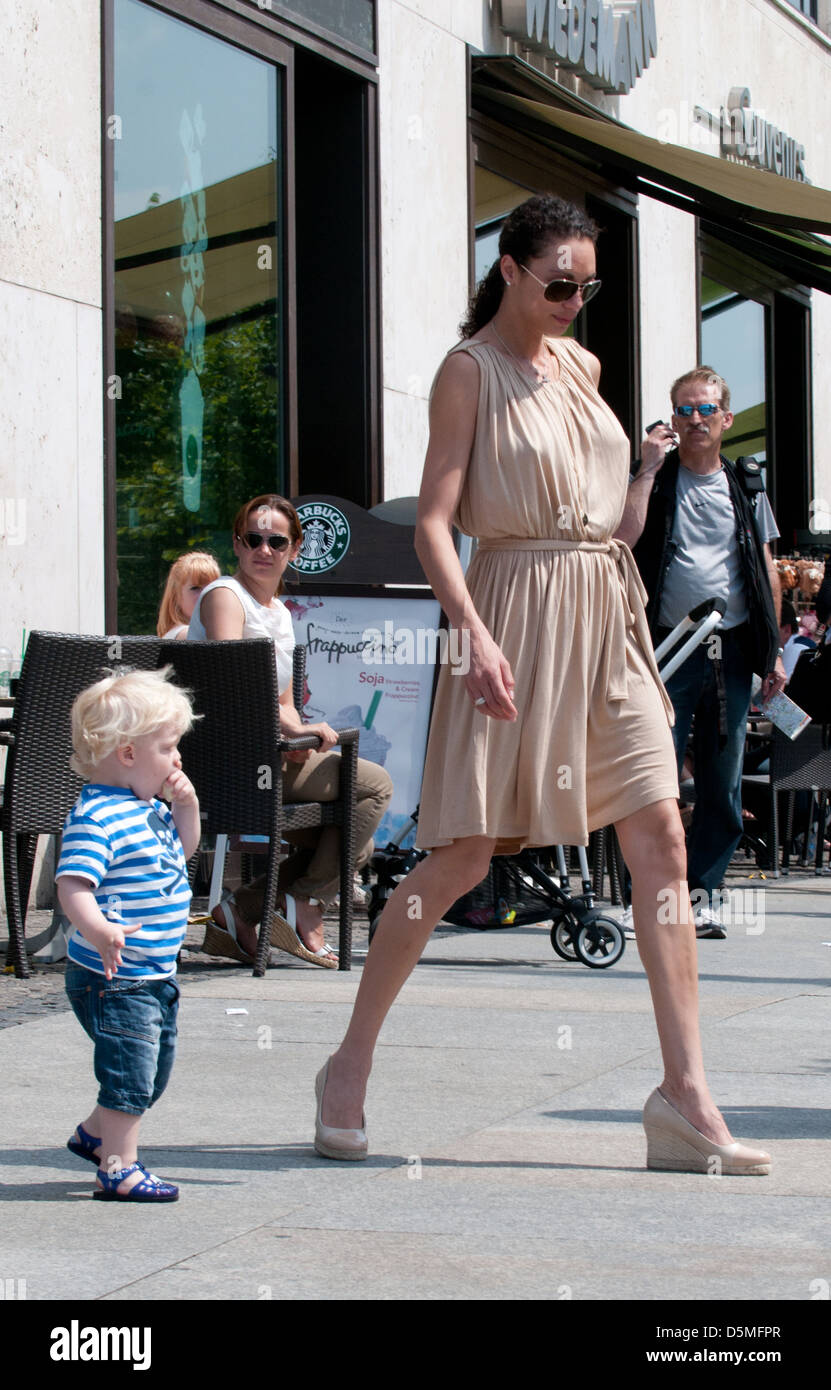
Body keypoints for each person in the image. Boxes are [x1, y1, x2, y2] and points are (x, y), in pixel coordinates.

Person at [311, 195, 771, 1175]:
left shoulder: (586, 368)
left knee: (663, 836)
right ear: (511, 268)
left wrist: (647, 477)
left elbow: (615, 521)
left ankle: (685, 1089)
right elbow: (437, 520)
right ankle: (348, 1063)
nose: (573, 300)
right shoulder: (466, 372)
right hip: (510, 611)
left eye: (587, 285)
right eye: (558, 281)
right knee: (463, 856)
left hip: (607, 611)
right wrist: (470, 633)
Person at [189, 493, 393, 968]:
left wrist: (300, 735)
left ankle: (239, 911)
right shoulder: (224, 596)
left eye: (276, 540)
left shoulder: (280, 614)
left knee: (350, 833)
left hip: (270, 752)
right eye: (253, 539)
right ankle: (304, 904)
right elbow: (233, 683)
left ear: (295, 549)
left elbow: (282, 701)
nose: (264, 549)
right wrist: (294, 731)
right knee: (373, 788)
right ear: (237, 546)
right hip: (231, 763)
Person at [617, 368, 786, 939]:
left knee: (723, 777)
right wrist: (646, 467)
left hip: (731, 649)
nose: (695, 421)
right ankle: (649, 891)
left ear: (726, 419)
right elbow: (622, 539)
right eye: (684, 411)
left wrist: (773, 652)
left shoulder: (747, 487)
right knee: (651, 773)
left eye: (705, 410)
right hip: (663, 644)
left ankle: (704, 892)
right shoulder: (658, 482)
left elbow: (764, 569)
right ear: (671, 417)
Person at [57, 668, 200, 1202]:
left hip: (153, 971)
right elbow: (72, 884)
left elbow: (179, 857)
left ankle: (95, 1133)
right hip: (114, 974)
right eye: (168, 747)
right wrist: (99, 930)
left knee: (151, 1070)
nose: (177, 759)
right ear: (127, 754)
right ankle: (117, 1168)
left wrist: (186, 808)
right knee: (131, 1073)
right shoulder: (98, 817)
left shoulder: (149, 809)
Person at [156, 551, 221, 639]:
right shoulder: (184, 634)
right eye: (195, 588)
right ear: (176, 597)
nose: (206, 594)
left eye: (213, 587)